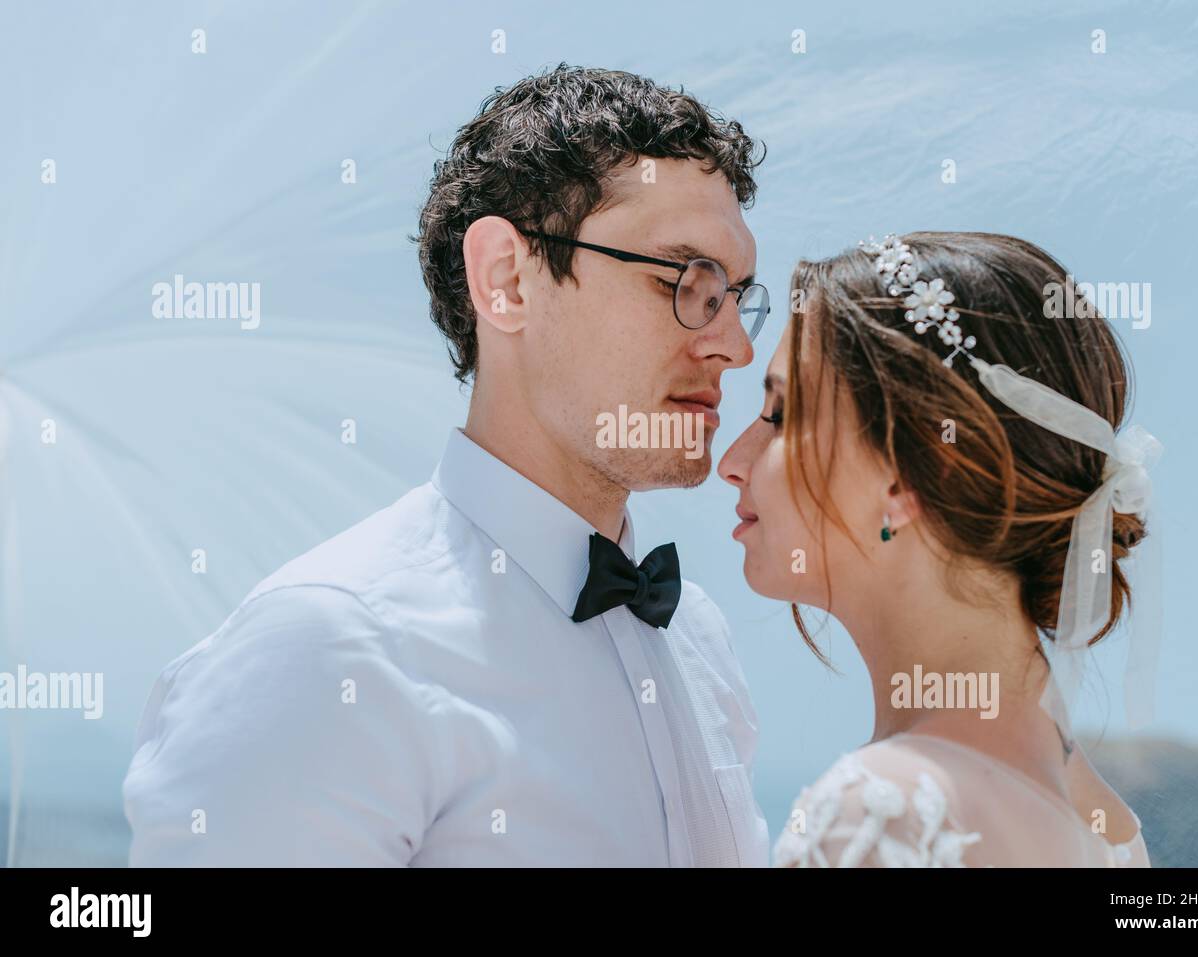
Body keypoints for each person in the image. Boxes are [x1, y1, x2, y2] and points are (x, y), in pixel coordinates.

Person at [123, 64, 772, 867]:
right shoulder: (333, 648)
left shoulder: (698, 638)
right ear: (506, 280)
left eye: (737, 294)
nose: (735, 346)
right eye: (685, 279)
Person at [719, 232, 1160, 867]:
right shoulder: (1106, 824)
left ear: (908, 475)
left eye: (783, 415)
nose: (732, 463)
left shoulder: (876, 813)